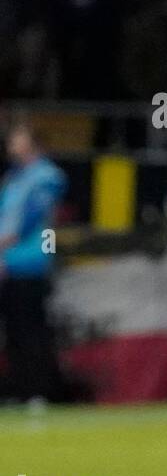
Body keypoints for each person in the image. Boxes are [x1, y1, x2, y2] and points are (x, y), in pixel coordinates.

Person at [0, 124, 67, 402]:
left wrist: (4, 244)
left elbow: (28, 219)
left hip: (32, 261)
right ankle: (20, 388)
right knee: (13, 330)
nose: (11, 144)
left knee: (32, 329)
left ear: (32, 142)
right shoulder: (13, 178)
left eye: (17, 139)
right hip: (8, 263)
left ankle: (40, 390)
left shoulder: (47, 176)